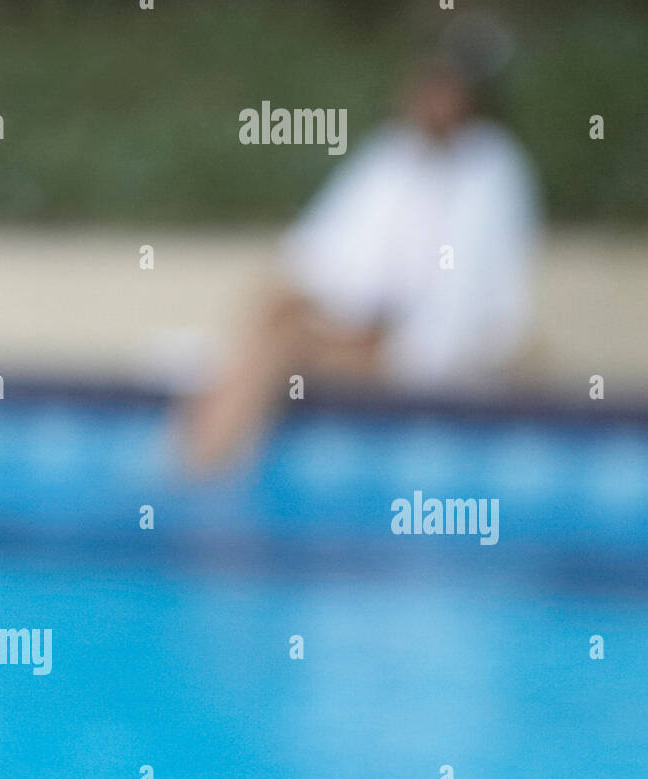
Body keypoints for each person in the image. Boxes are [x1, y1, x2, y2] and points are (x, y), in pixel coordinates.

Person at [183, 29, 541, 472]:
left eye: (443, 89)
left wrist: (370, 334)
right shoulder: (392, 155)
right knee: (275, 306)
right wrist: (309, 300)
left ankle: (204, 467)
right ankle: (202, 456)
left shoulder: (492, 170)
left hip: (417, 344)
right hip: (364, 325)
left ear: (471, 98)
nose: (428, 99)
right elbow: (323, 252)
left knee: (281, 344)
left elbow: (457, 306)